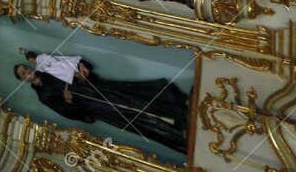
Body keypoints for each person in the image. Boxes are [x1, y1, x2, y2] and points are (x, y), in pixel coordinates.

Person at [13, 63, 192, 153]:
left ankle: (179, 107)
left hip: (98, 89)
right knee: (136, 118)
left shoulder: (48, 69)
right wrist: (69, 102)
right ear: (23, 81)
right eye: (23, 73)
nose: (28, 71)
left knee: (136, 98)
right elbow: (69, 113)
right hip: (94, 105)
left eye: (26, 68)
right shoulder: (44, 96)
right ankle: (178, 133)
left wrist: (81, 70)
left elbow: (73, 65)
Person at [21, 48, 90, 83]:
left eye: (30, 60)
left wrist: (50, 66)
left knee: (65, 69)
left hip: (57, 66)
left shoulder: (42, 56)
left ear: (32, 58)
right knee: (63, 73)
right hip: (55, 71)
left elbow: (52, 60)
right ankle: (79, 75)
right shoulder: (37, 66)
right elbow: (42, 71)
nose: (31, 62)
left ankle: (79, 73)